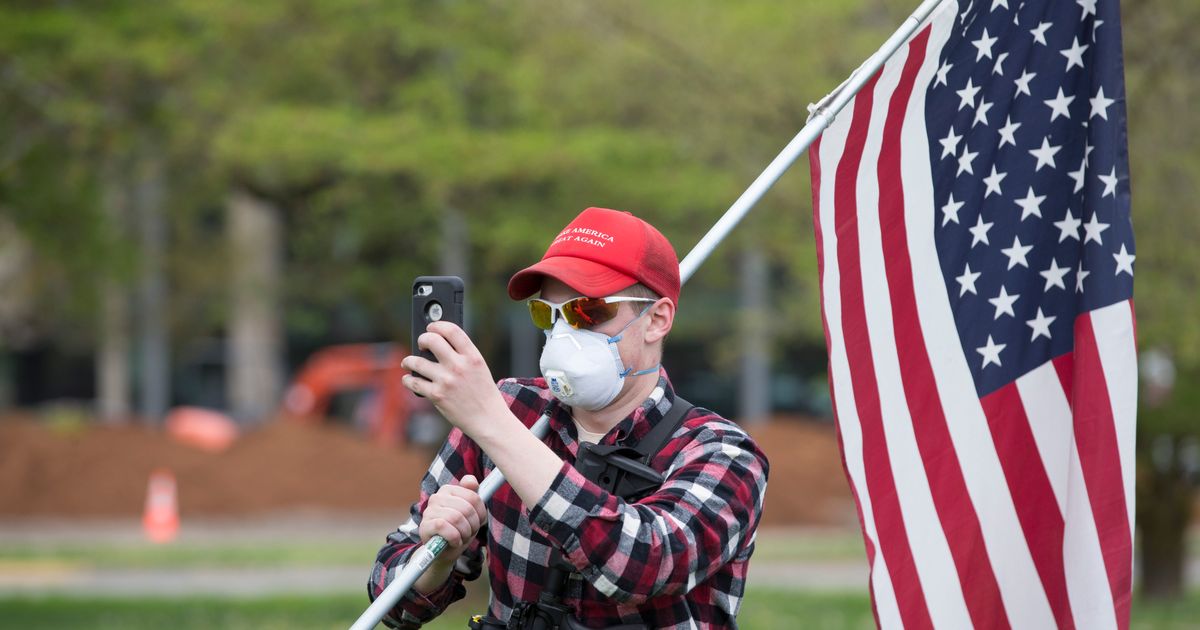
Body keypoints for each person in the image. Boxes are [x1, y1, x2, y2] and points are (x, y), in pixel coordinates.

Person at [369, 207, 769, 629]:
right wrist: (437, 559)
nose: (564, 333)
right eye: (547, 313)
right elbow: (391, 602)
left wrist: (494, 424)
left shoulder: (722, 451)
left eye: (587, 311)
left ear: (656, 319)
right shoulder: (508, 407)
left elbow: (645, 566)